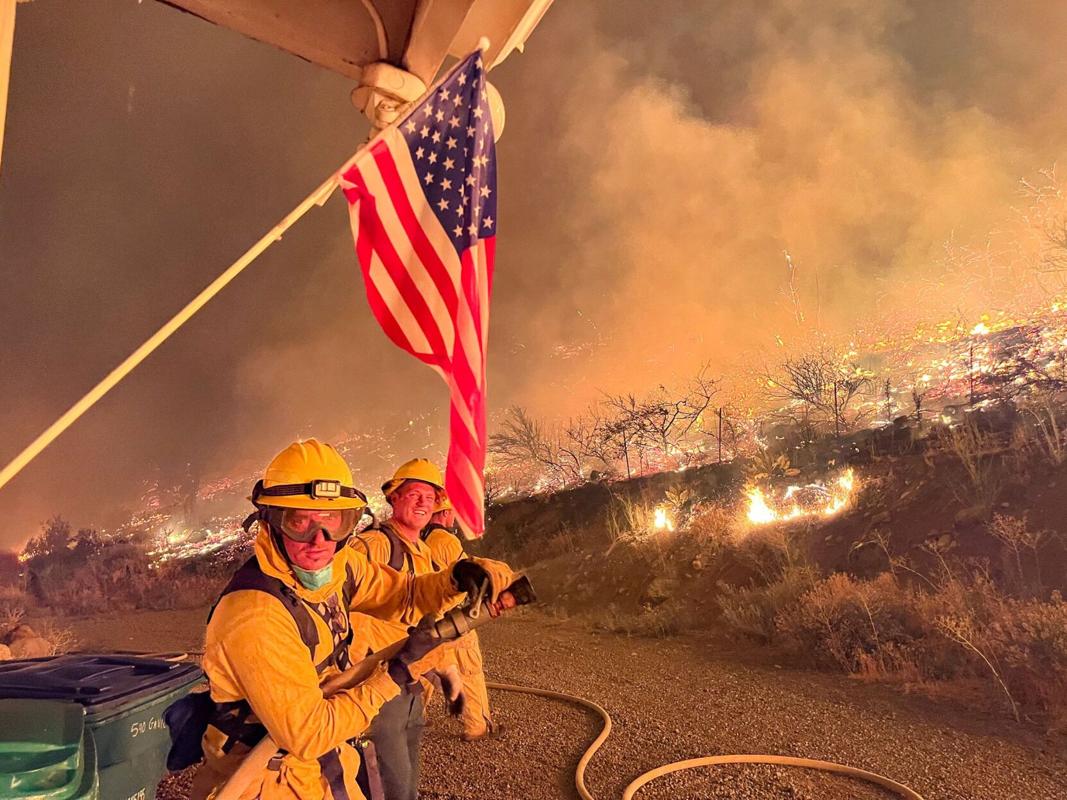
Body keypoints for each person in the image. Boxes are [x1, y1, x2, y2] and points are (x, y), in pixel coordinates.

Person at [192, 440, 513, 800]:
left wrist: (456, 577)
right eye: (299, 522)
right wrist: (396, 674)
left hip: (319, 770)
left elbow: (403, 594)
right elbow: (309, 733)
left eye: (334, 521)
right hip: (265, 781)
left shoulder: (339, 569)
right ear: (269, 522)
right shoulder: (255, 615)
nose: (320, 541)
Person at [349, 459, 472, 799]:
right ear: (394, 498)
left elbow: (427, 622)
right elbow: (352, 620)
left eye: (429, 497)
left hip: (411, 689)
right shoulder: (372, 546)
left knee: (407, 787)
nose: (422, 502)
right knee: (389, 789)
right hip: (377, 690)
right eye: (414, 494)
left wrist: (446, 669)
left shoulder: (424, 553)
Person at [421, 496, 497, 742]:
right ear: (443, 513)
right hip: (452, 620)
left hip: (425, 619)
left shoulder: (418, 540)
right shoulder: (446, 540)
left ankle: (415, 718)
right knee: (469, 669)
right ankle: (477, 726)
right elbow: (467, 573)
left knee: (423, 667)